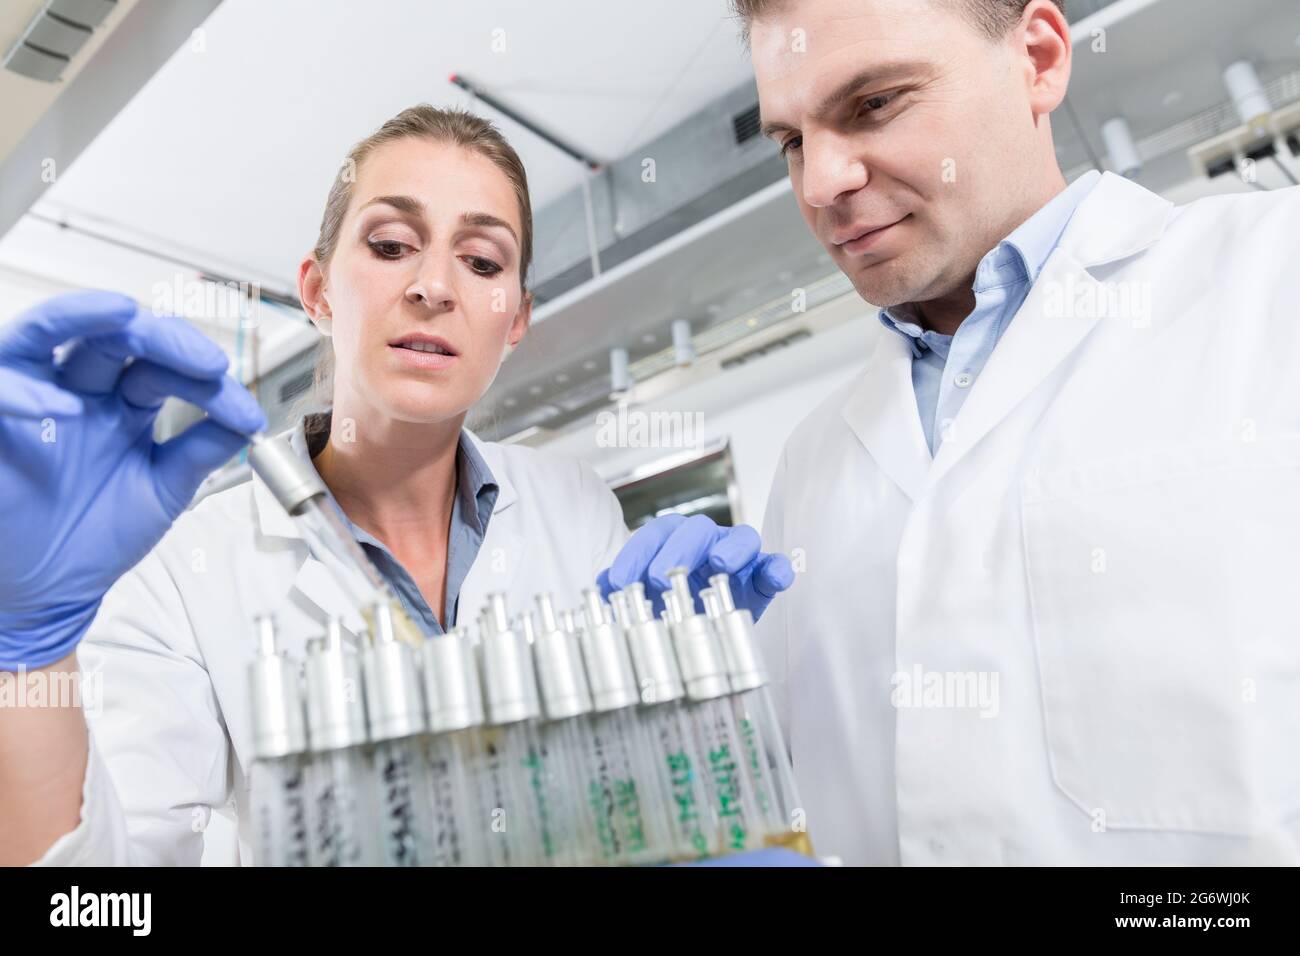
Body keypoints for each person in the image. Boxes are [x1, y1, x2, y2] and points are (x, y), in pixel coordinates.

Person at [0, 105, 792, 866]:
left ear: (514, 316)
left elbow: (641, 804)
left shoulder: (573, 505)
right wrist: (26, 645)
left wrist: (691, 690)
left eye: (483, 262)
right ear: (316, 293)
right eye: (389, 245)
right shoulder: (185, 570)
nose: (434, 286)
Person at [713, 0, 1299, 864]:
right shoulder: (813, 459)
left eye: (873, 103)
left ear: (1038, 58)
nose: (820, 182)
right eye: (792, 142)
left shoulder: (1270, 280)